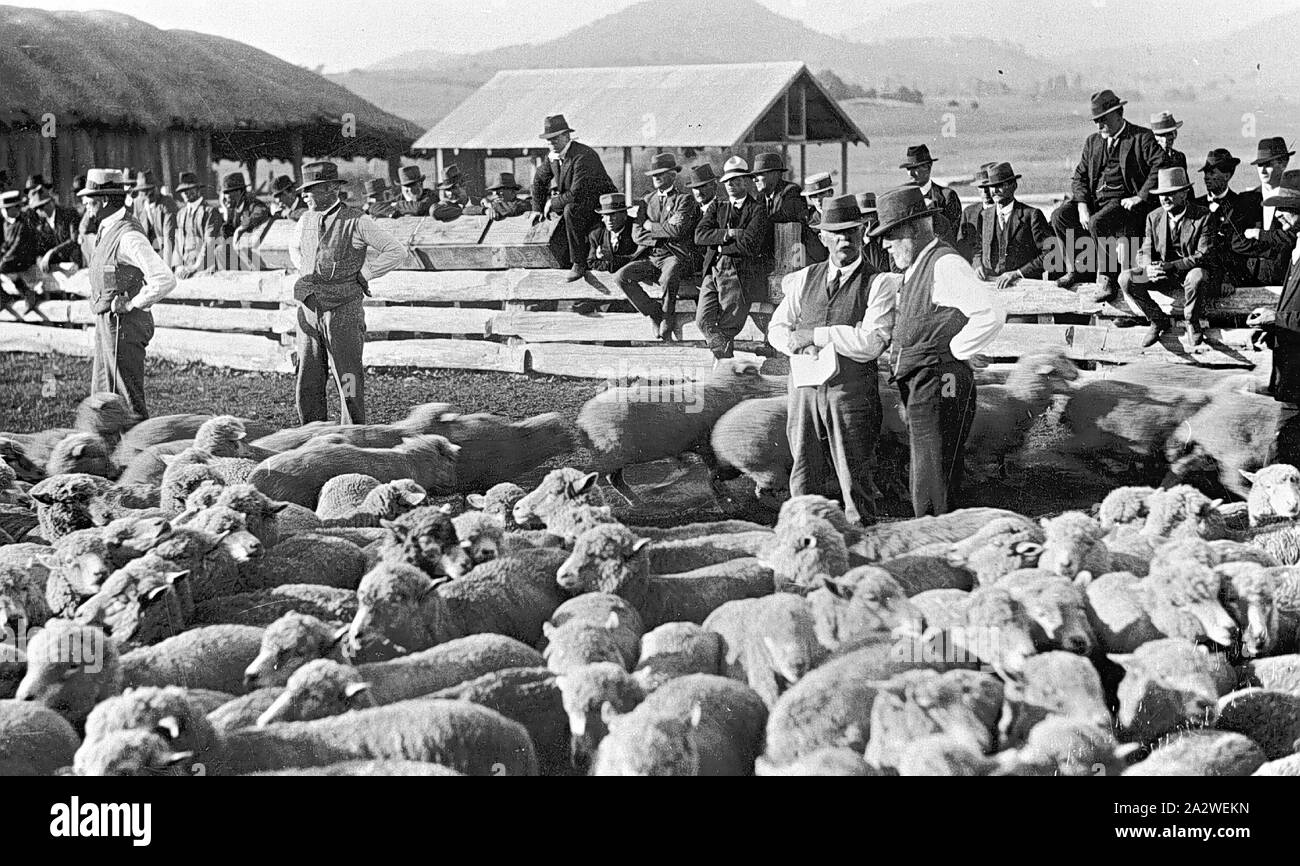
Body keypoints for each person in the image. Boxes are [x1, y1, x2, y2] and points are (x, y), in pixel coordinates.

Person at [871, 185, 1006, 517]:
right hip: (926, 382)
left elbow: (991, 311)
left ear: (915, 229)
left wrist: (957, 349)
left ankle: (938, 537)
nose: (886, 245)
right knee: (928, 468)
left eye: (891, 235)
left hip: (940, 381)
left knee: (934, 472)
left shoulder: (944, 264)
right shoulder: (920, 266)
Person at [769, 195, 900, 525]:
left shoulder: (878, 282)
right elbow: (777, 328)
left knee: (853, 473)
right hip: (804, 389)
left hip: (851, 392)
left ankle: (863, 541)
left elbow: (871, 342)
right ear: (822, 237)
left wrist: (815, 335)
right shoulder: (804, 278)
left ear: (864, 232)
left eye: (852, 232)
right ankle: (806, 537)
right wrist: (796, 345)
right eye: (837, 233)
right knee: (803, 470)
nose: (845, 239)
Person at [287, 161, 406, 426]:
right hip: (309, 309)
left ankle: (353, 434)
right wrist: (306, 269)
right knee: (307, 377)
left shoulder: (357, 221)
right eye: (304, 190)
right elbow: (294, 249)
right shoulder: (305, 219)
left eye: (312, 189)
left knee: (348, 376)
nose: (304, 195)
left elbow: (396, 251)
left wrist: (366, 273)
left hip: (343, 310)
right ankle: (311, 433)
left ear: (331, 188)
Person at [77, 169, 178, 419]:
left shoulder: (128, 235)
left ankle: (137, 453)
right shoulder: (105, 228)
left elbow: (165, 279)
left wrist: (133, 303)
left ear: (106, 201)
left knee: (128, 401)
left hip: (124, 325)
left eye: (90, 202)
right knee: (104, 399)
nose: (87, 208)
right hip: (108, 324)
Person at [1051, 89, 1164, 300]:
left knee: (1097, 223)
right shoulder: (1093, 142)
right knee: (1060, 216)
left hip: (1125, 204)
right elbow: (1079, 177)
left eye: (1103, 119)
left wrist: (1140, 196)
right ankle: (1077, 269)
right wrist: (1082, 205)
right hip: (1095, 202)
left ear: (1118, 114)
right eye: (1096, 121)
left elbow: (1161, 164)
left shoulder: (1141, 137)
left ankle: (1107, 277)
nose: (1099, 125)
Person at [1118, 167, 1219, 350]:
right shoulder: (1154, 217)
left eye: (1171, 193)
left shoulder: (1203, 216)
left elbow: (1203, 256)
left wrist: (1171, 266)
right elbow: (1146, 249)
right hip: (1164, 274)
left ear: (1184, 193)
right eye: (1161, 194)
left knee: (1197, 276)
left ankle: (1192, 321)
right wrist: (1149, 267)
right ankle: (1158, 320)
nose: (1165, 198)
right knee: (1126, 278)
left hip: (1190, 273)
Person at [612, 152, 701, 341]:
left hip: (675, 256)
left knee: (670, 272)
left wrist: (650, 227)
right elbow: (637, 234)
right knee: (622, 276)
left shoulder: (684, 200)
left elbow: (677, 231)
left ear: (672, 175)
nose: (657, 177)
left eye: (661, 173)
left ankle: (668, 316)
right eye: (654, 174)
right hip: (653, 258)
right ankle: (655, 313)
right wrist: (662, 232)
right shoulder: (646, 201)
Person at [694, 156, 772, 361]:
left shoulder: (757, 209)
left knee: (729, 326)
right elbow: (699, 236)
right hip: (713, 270)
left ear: (746, 182)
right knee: (703, 320)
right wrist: (727, 235)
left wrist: (720, 244)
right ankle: (723, 356)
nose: (731, 185)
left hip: (739, 273)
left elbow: (749, 244)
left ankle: (724, 367)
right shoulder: (717, 207)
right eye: (728, 181)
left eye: (736, 180)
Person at [1247, 172, 1300, 464]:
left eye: (1287, 209)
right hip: (1291, 376)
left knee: (1278, 458)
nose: (1278, 215)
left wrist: (1276, 318)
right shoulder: (1296, 249)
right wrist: (1274, 330)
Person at [528, 114, 619, 281]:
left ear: (567, 136)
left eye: (555, 138)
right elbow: (539, 181)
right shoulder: (554, 157)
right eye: (548, 140)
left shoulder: (583, 155)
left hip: (601, 206)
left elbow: (577, 194)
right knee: (566, 210)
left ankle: (578, 263)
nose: (551, 143)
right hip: (581, 203)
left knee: (570, 209)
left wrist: (552, 202)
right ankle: (564, 259)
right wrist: (537, 208)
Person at [972, 161, 1054, 288]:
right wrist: (977, 265)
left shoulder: (1031, 215)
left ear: (1013, 186)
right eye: (992, 186)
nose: (995, 191)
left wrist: (1018, 273)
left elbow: (1050, 254)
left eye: (1001, 185)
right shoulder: (984, 216)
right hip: (989, 286)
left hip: (1023, 287)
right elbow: (978, 248)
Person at [1234, 137, 1298, 288]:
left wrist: (1259, 235)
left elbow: (1294, 236)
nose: (1262, 170)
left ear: (1284, 163)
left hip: (1284, 280)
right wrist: (1273, 249)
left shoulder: (1295, 198)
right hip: (1250, 279)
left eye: (1267, 165)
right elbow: (1236, 242)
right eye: (1259, 165)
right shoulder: (1246, 199)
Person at [1197, 148, 1256, 290]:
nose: (1206, 177)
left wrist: (1228, 278)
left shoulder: (1241, 205)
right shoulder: (1195, 205)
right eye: (1205, 172)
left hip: (1229, 278)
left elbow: (1238, 249)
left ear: (1227, 176)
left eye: (1212, 173)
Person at [900, 144, 962, 231]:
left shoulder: (947, 196)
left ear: (928, 167)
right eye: (908, 169)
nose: (911, 173)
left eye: (915, 168)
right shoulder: (902, 198)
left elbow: (952, 234)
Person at [174, 171, 221, 278]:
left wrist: (196, 267)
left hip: (204, 267)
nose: (185, 193)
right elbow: (178, 241)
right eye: (182, 191)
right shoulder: (181, 214)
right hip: (185, 267)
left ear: (198, 189)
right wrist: (178, 266)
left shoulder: (210, 212)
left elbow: (209, 241)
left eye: (188, 189)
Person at [26, 184, 83, 273]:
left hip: (76, 265)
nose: (40, 211)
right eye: (36, 208)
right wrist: (41, 261)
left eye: (42, 206)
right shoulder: (41, 226)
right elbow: (39, 251)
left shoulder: (69, 214)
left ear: (51, 202)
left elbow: (73, 240)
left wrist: (52, 252)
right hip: (59, 268)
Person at [130, 170, 178, 267]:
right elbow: (135, 232)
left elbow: (168, 235)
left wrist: (166, 267)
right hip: (149, 251)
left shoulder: (167, 203)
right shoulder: (138, 203)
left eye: (150, 190)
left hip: (169, 250)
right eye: (143, 190)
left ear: (156, 188)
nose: (147, 194)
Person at [586, 193, 637, 274]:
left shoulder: (635, 230)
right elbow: (591, 262)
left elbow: (636, 259)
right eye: (605, 215)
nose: (609, 220)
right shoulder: (596, 234)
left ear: (625, 215)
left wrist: (611, 260)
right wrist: (609, 265)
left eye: (613, 214)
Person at [956, 162, 996, 263]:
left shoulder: (1006, 212)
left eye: (989, 186)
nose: (985, 191)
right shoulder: (969, 213)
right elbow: (962, 247)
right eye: (981, 187)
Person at [752, 152, 805, 224]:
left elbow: (785, 218)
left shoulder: (791, 192)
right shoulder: (760, 198)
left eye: (759, 175)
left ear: (775, 174)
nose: (755, 180)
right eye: (754, 176)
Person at [855, 192, 894, 274]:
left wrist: (870, 243)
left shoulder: (886, 233)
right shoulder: (857, 235)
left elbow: (882, 267)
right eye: (862, 216)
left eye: (870, 214)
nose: (866, 219)